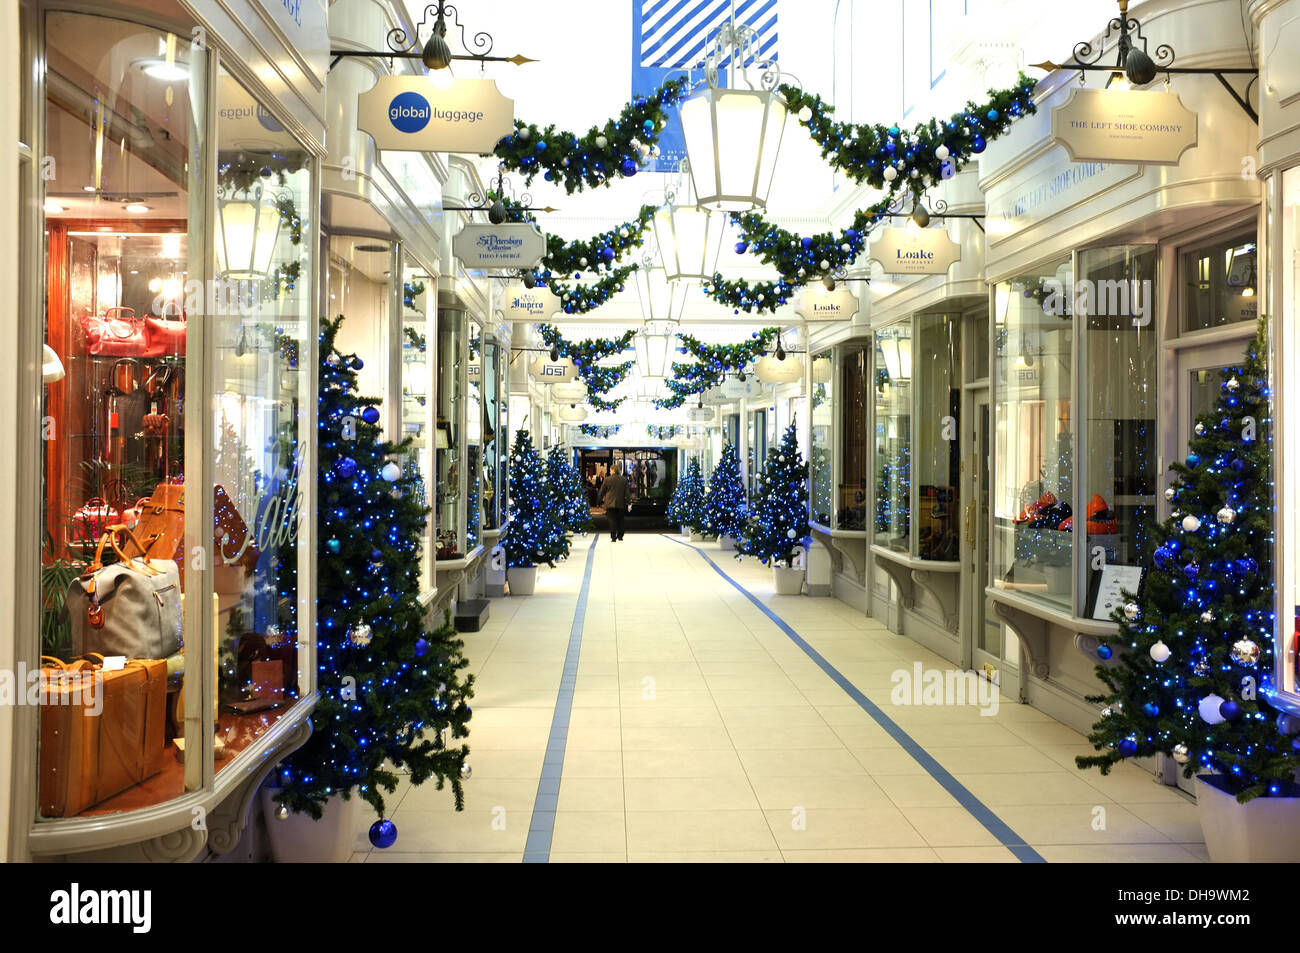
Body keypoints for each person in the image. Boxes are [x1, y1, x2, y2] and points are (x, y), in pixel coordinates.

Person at [599, 462, 630, 542]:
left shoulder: (607, 479)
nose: (610, 471)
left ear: (613, 470)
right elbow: (627, 493)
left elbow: (602, 491)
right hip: (621, 503)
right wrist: (629, 502)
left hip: (610, 503)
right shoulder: (624, 479)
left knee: (611, 519)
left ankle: (613, 536)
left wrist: (599, 501)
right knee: (621, 519)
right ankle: (620, 536)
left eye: (610, 470)